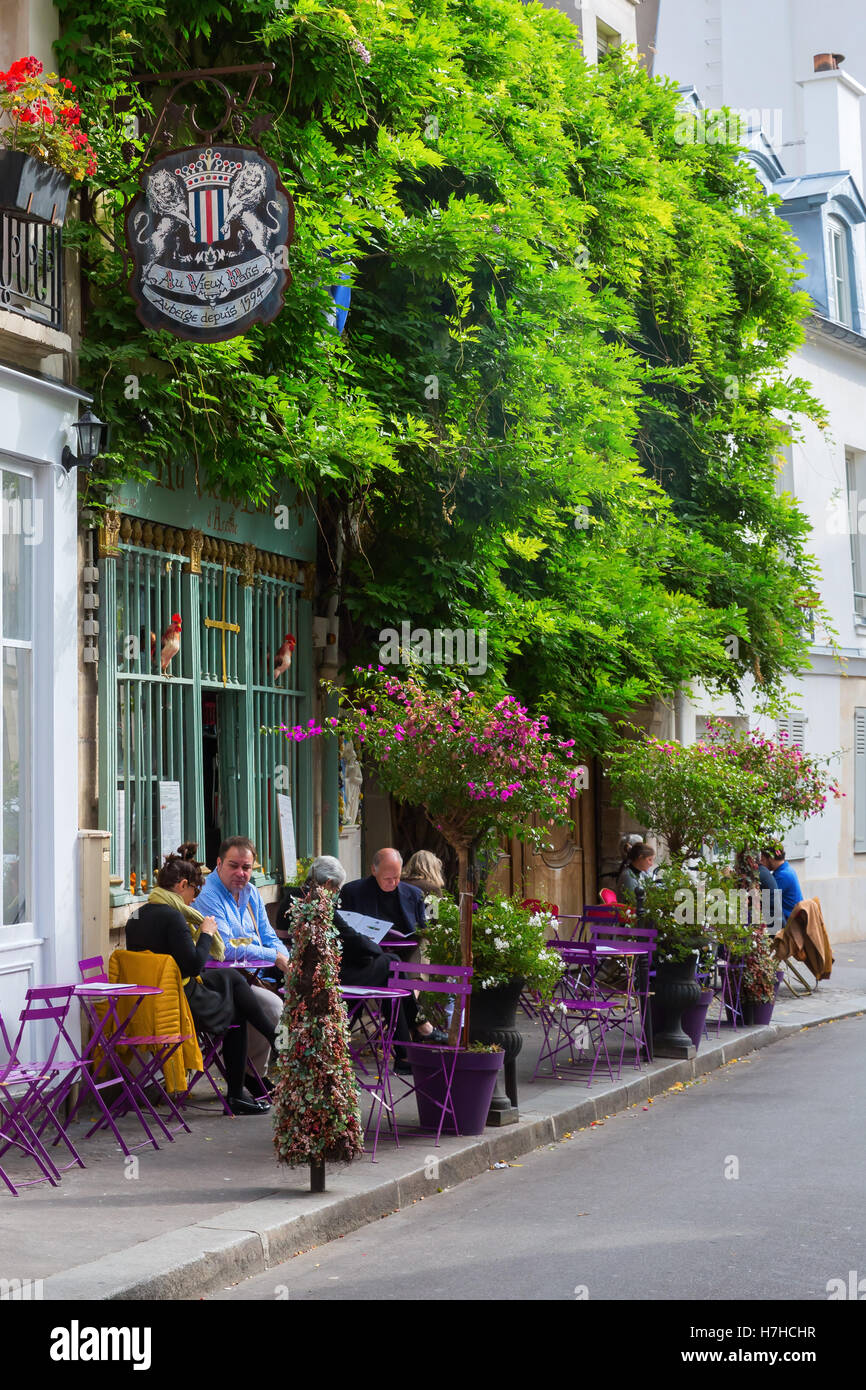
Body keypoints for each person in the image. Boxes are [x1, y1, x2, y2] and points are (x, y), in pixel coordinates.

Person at [124, 844, 277, 1115]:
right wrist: (206, 933)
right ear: (183, 885)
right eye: (194, 891)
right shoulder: (174, 918)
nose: (195, 900)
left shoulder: (137, 915)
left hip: (149, 999)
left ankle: (270, 1049)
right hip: (178, 1001)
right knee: (237, 1011)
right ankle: (270, 1050)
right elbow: (194, 965)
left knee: (232, 981)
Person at [194, 836, 287, 1090]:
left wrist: (285, 958)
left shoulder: (251, 892)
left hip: (252, 976)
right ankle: (252, 1075)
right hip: (216, 980)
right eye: (233, 865)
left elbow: (268, 935)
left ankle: (264, 1073)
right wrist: (273, 957)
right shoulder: (208, 894)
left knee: (296, 1002)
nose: (240, 873)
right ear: (219, 863)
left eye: (246, 867)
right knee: (272, 1007)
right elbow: (225, 948)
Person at [340, 847, 426, 943]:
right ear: (373, 870)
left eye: (396, 877)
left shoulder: (415, 895)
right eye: (387, 878)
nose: (393, 882)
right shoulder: (351, 892)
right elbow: (342, 929)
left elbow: (424, 929)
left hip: (407, 952)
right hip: (368, 953)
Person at [761, 844, 802, 922]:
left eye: (763, 860)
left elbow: (765, 899)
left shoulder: (782, 876)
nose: (762, 864)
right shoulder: (787, 870)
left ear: (770, 858)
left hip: (789, 926)